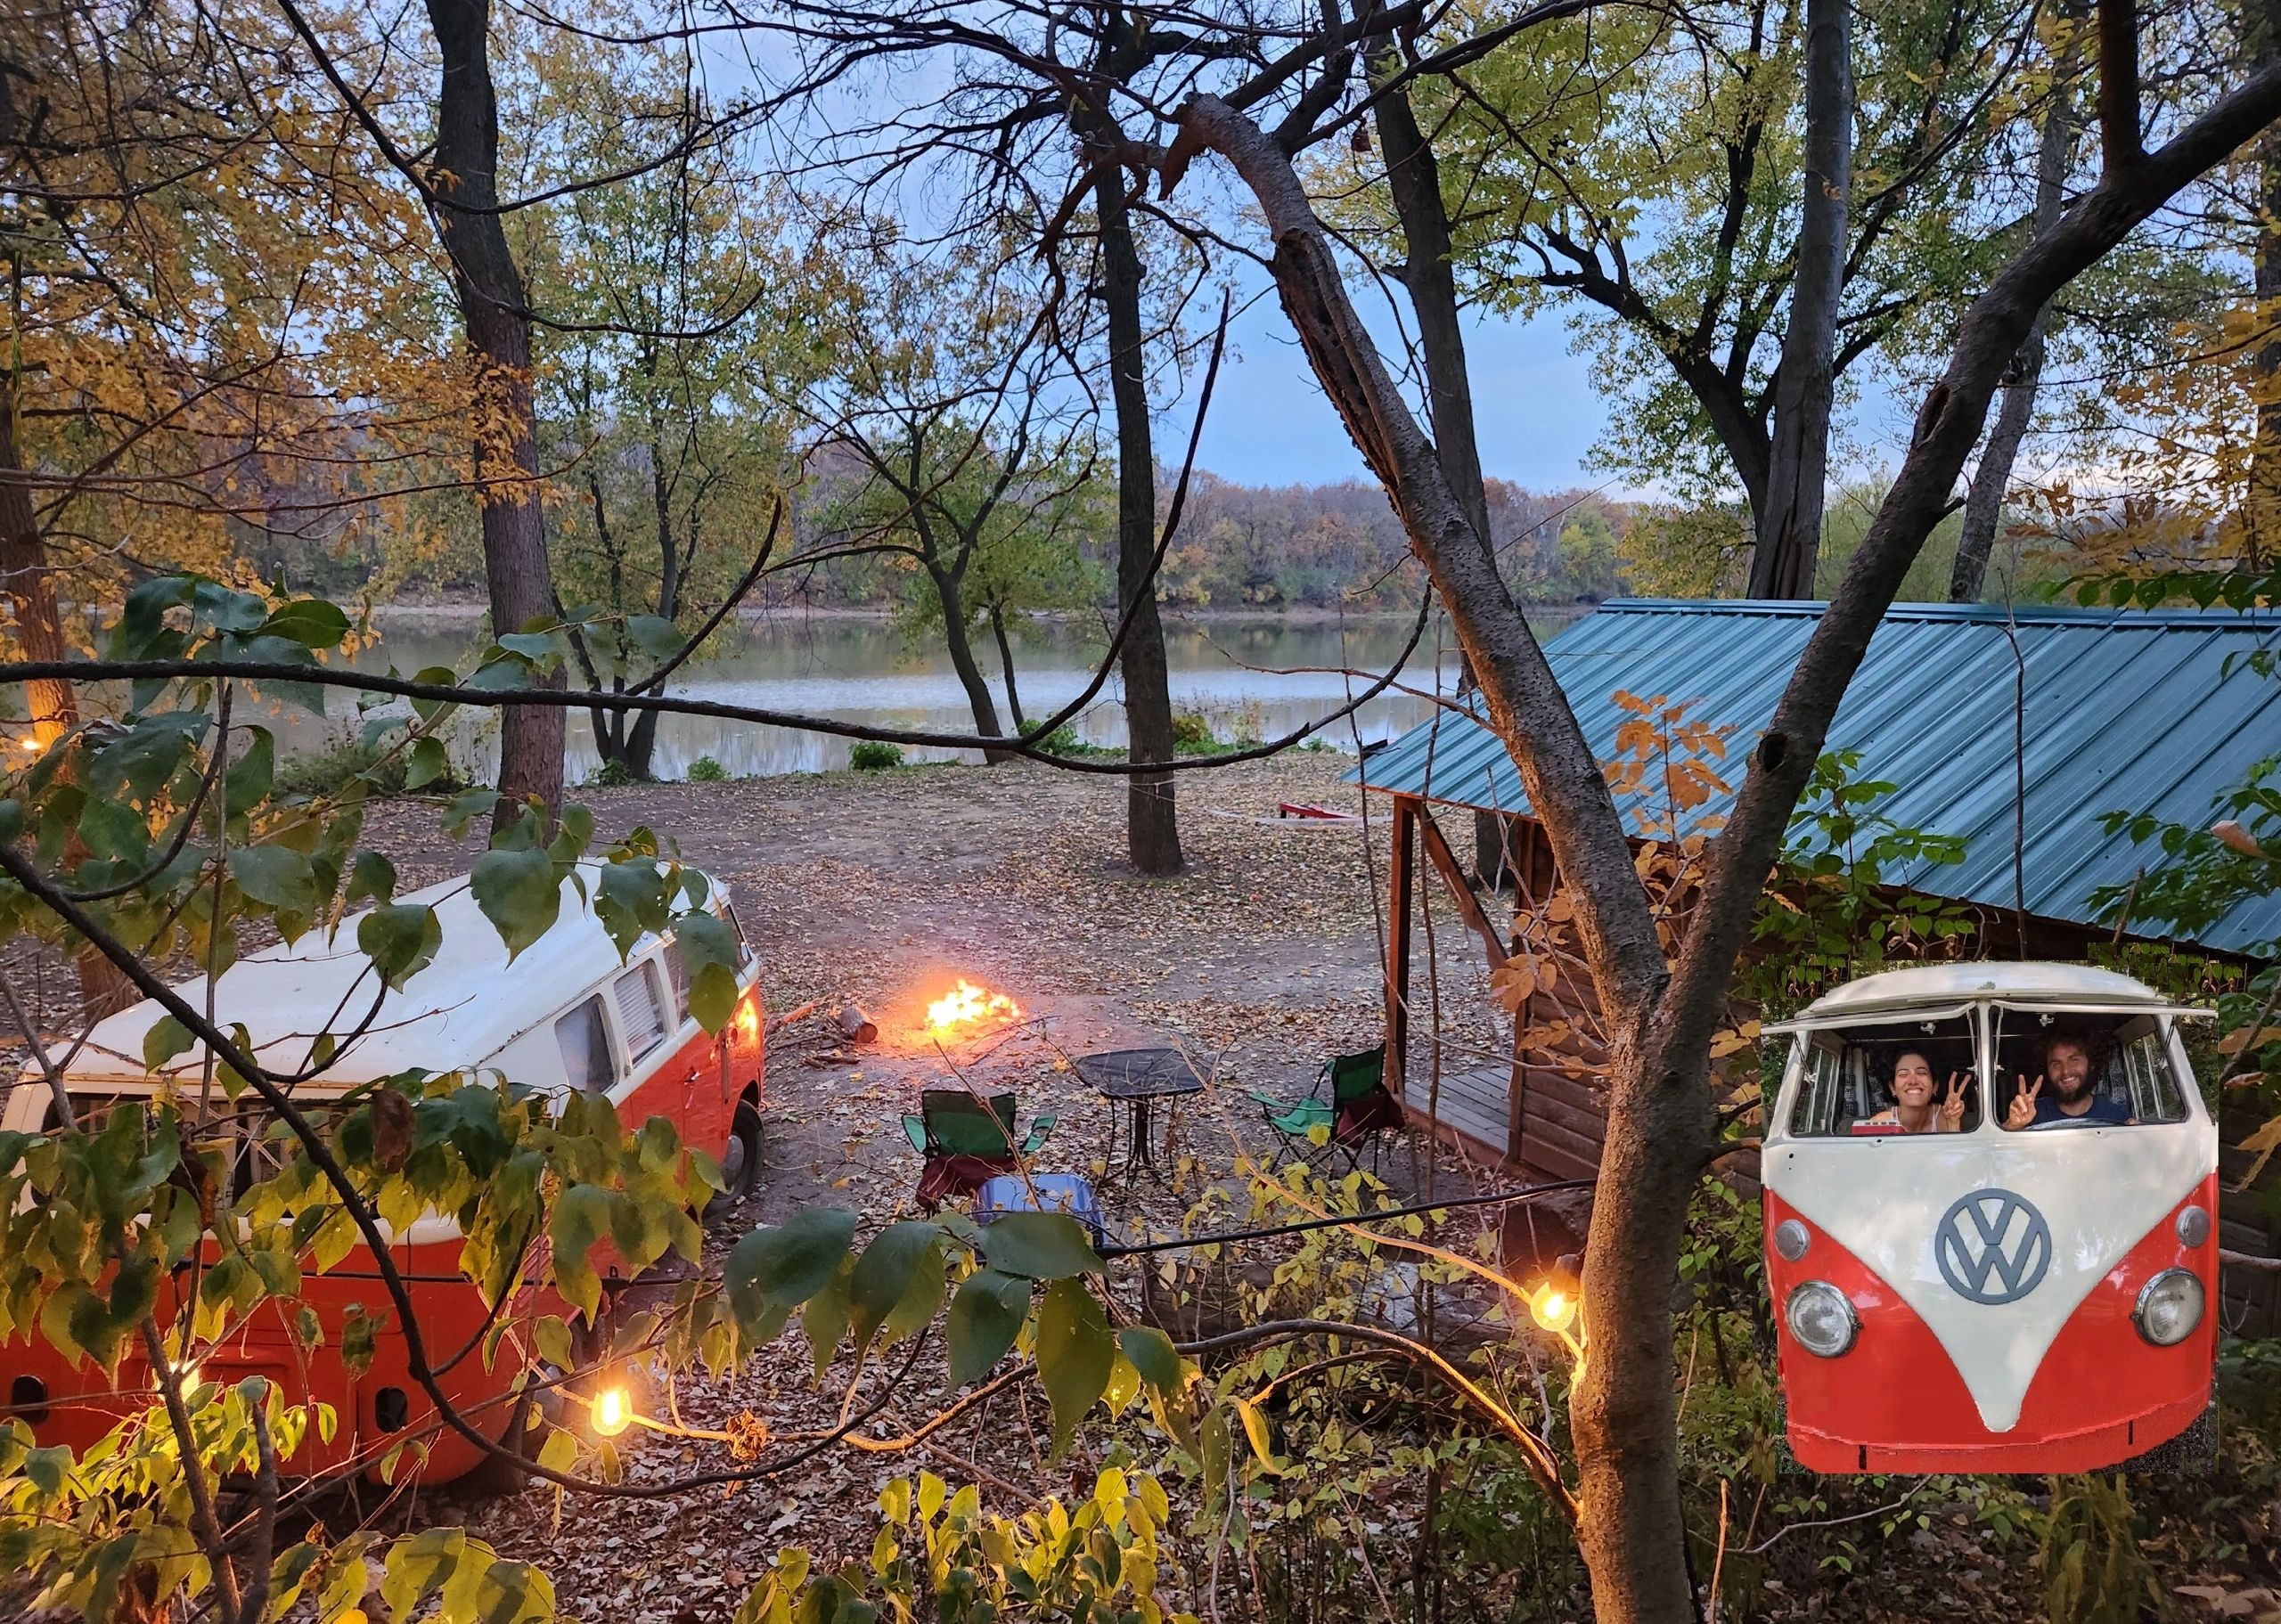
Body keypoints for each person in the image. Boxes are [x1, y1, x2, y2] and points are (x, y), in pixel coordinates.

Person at [2004, 1025, 2133, 1129]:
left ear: (2092, 1063)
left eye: (2074, 1060)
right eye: (2056, 1064)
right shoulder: (2032, 1113)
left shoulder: (2116, 1116)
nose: (2065, 1071)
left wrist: (2139, 1135)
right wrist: (2013, 1126)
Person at [1856, 1050, 1969, 1133]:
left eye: (1921, 1073)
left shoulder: (1946, 1117)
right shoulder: (1880, 1122)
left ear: (1935, 1086)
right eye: (1903, 1074)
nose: (1913, 1081)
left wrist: (1953, 1123)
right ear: (1892, 1088)